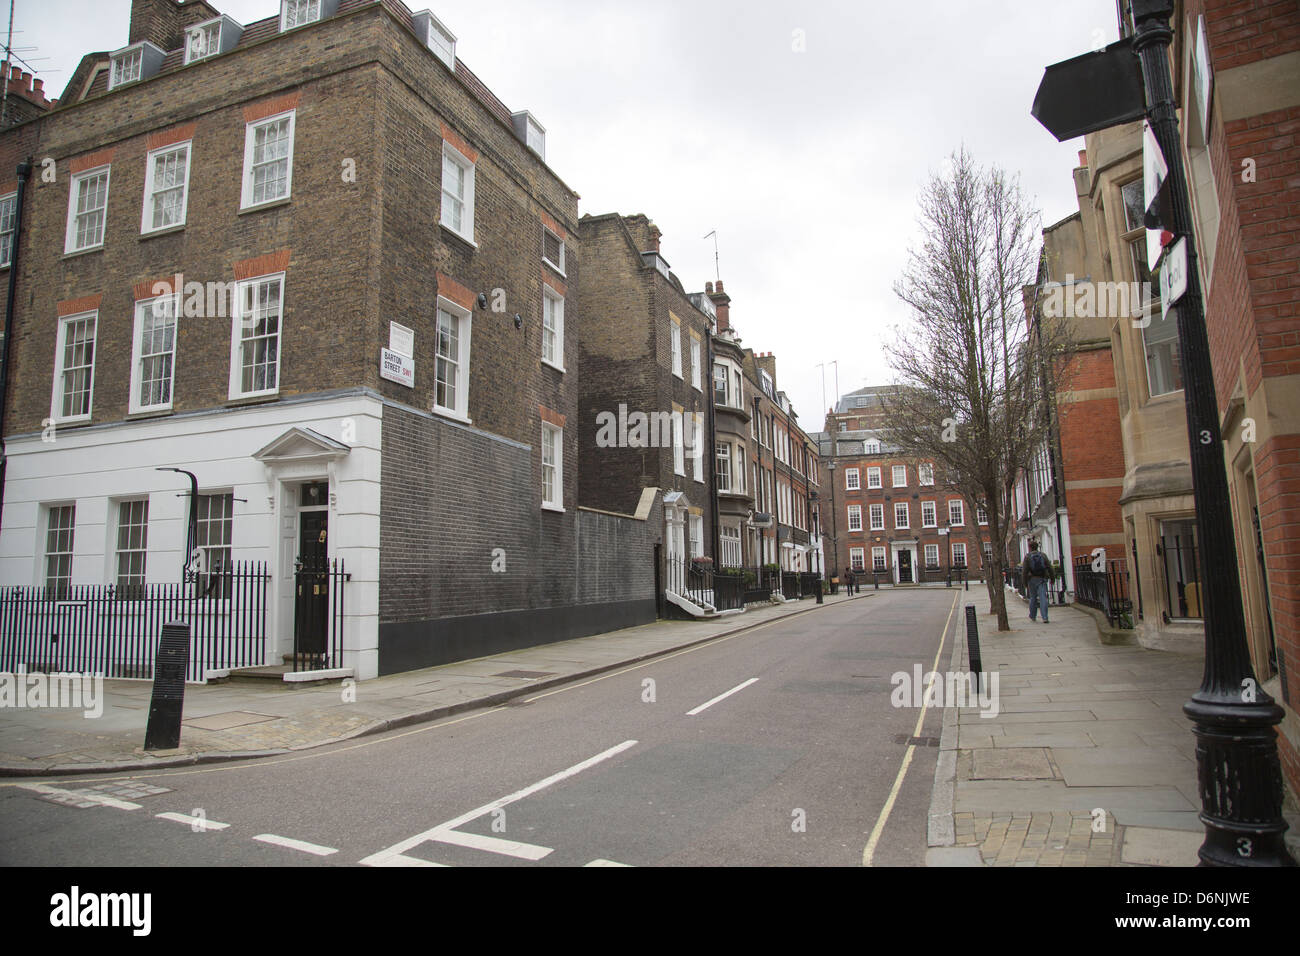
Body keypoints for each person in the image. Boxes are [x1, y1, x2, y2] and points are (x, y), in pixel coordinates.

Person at [1021, 540, 1052, 624]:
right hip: (1041, 579)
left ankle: (1033, 615)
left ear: (1030, 547)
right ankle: (1045, 617)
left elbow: (1024, 571)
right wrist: (1052, 578)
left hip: (1032, 580)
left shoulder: (1027, 557)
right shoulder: (1043, 555)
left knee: (1033, 598)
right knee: (1043, 598)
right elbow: (1049, 567)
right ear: (1037, 547)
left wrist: (1024, 583)